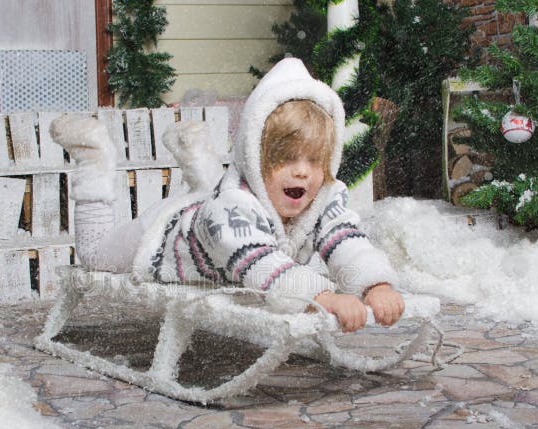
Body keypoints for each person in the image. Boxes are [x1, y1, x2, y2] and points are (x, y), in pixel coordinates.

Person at [50, 57, 404, 332]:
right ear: (254, 156)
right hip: (166, 234)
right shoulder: (229, 211)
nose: (302, 171)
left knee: (213, 193)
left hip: (212, 204)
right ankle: (92, 154)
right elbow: (259, 262)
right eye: (285, 158)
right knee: (95, 255)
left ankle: (197, 154)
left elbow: (346, 238)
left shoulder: (322, 196)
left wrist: (375, 284)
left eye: (315, 160)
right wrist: (322, 296)